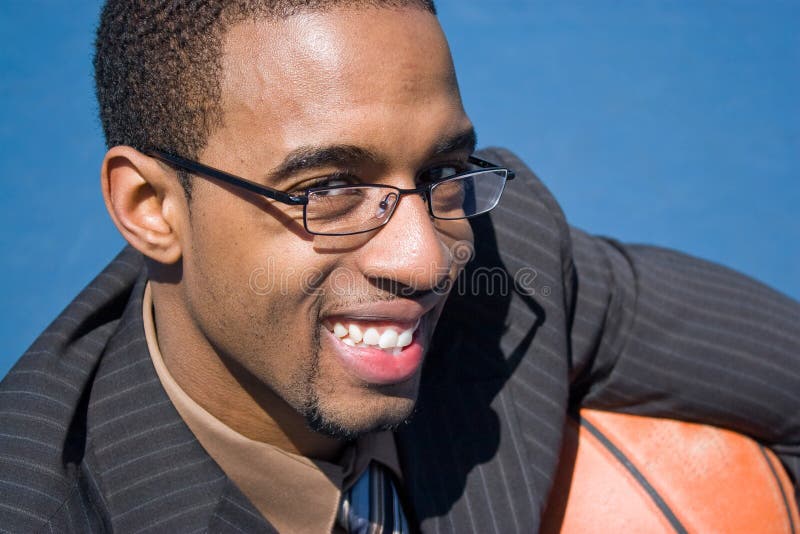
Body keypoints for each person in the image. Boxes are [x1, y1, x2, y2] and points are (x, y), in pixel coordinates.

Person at [1, 1, 798, 532]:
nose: (424, 260)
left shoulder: (507, 259)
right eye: (330, 188)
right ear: (151, 207)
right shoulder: (43, 505)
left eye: (441, 171)